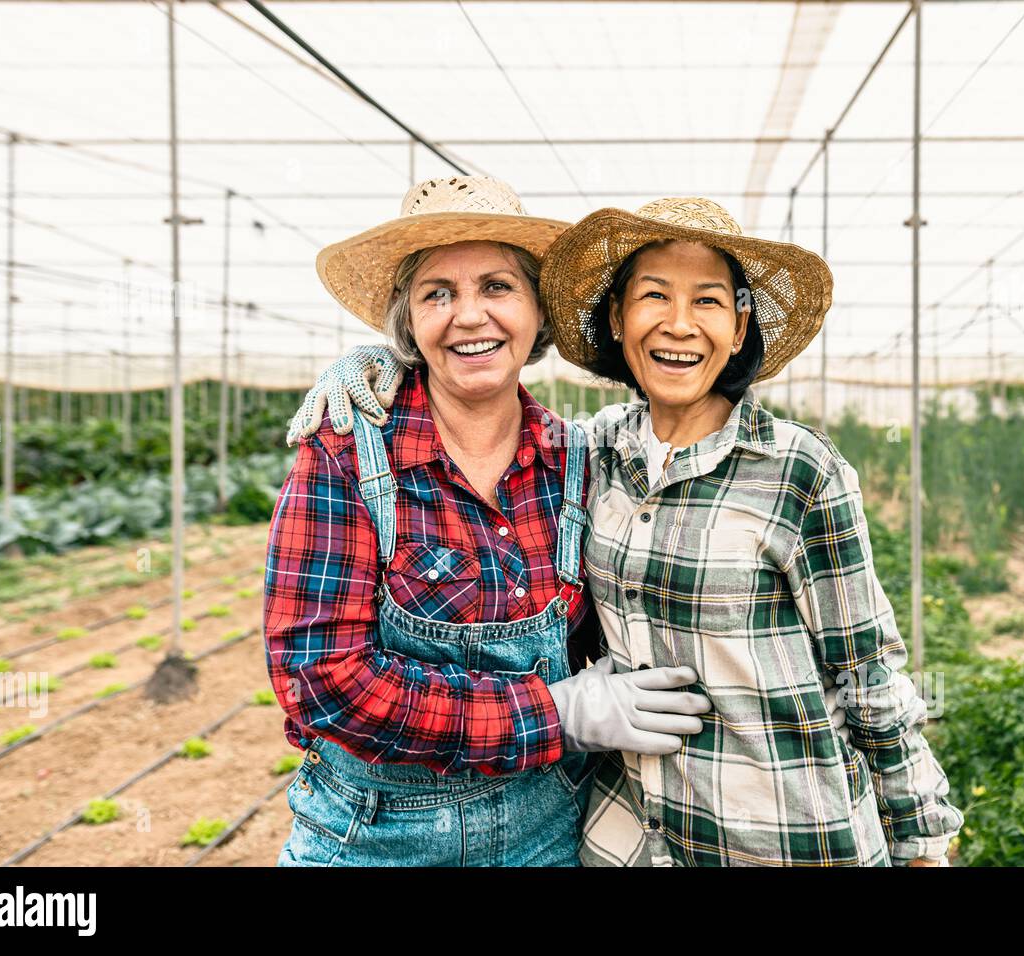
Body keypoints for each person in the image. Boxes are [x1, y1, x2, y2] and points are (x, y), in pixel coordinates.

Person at [290, 195, 964, 867]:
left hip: (781, 836)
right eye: (653, 297)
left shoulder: (790, 470)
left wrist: (922, 831)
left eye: (706, 301)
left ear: (739, 325)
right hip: (617, 840)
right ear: (618, 318)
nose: (678, 324)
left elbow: (867, 668)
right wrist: (370, 361)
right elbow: (319, 677)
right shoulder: (592, 452)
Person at [264, 175, 711, 867]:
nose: (469, 315)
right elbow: (320, 679)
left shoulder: (578, 459)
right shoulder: (345, 454)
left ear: (538, 313)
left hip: (550, 831)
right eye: (436, 294)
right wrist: (553, 714)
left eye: (498, 287)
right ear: (407, 323)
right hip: (374, 840)